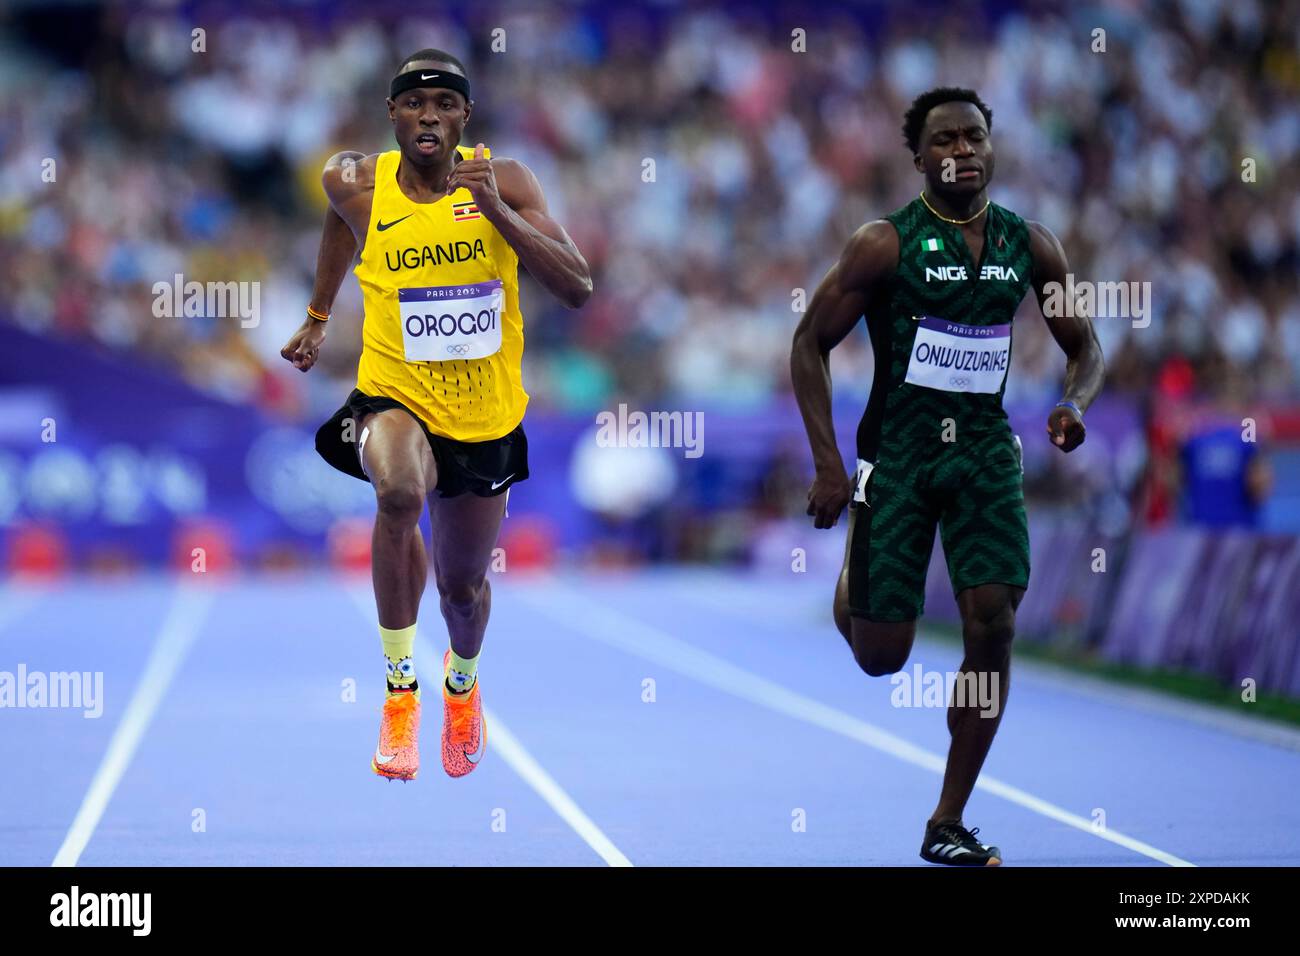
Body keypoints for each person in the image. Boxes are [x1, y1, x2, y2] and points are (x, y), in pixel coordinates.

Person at [790, 87, 1104, 864]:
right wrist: (831, 466)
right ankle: (859, 555)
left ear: (993, 147)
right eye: (943, 140)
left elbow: (1086, 348)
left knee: (993, 621)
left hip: (986, 453)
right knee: (881, 655)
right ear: (919, 157)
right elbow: (807, 343)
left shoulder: (1031, 245)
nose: (960, 150)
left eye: (973, 137)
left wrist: (1073, 402)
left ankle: (948, 820)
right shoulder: (882, 245)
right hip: (897, 454)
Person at [279, 48, 592, 781]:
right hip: (393, 392)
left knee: (462, 591)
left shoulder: (506, 180)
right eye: (415, 104)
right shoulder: (352, 179)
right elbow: (340, 221)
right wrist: (319, 313)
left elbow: (577, 286)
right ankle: (398, 692)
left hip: (483, 417)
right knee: (396, 491)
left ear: (465, 118)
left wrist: (494, 213)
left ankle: (461, 683)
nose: (429, 115)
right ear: (392, 115)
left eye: (445, 104)